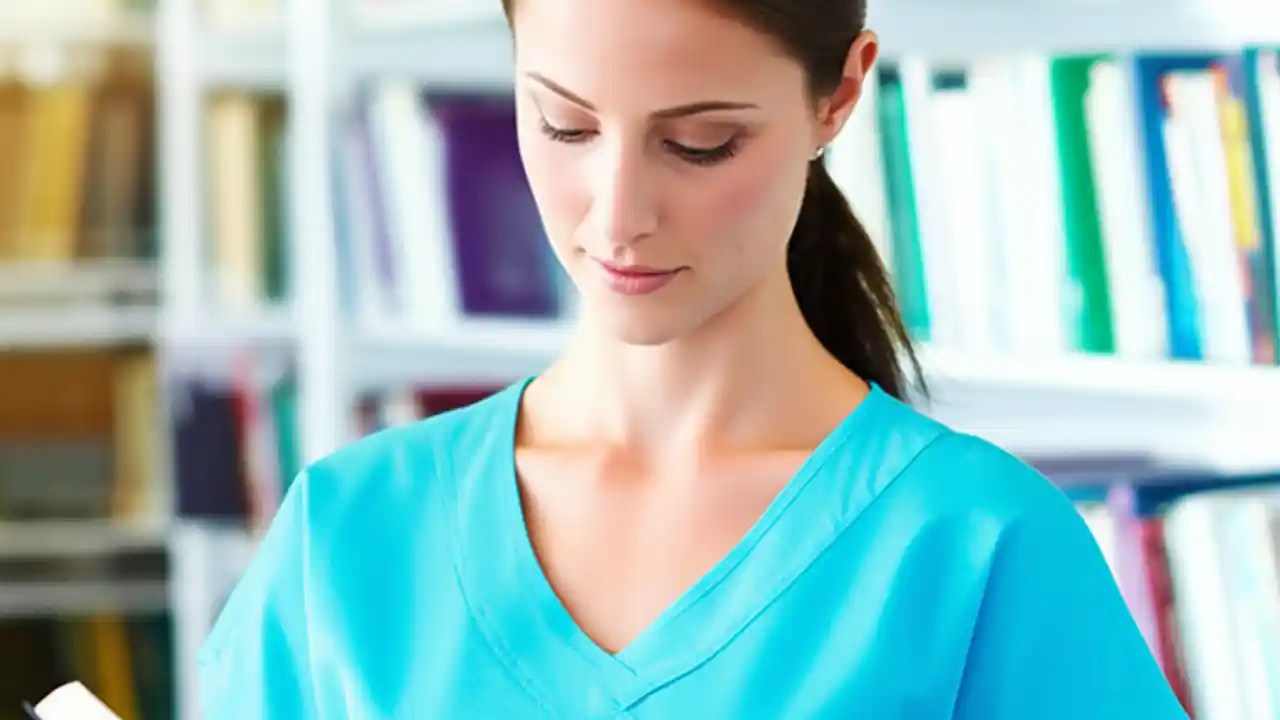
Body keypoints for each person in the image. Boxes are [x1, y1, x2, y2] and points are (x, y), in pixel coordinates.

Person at [197, 0, 1191, 716]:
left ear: (840, 94)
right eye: (564, 124)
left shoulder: (976, 545)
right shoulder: (346, 534)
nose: (617, 216)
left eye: (701, 143)